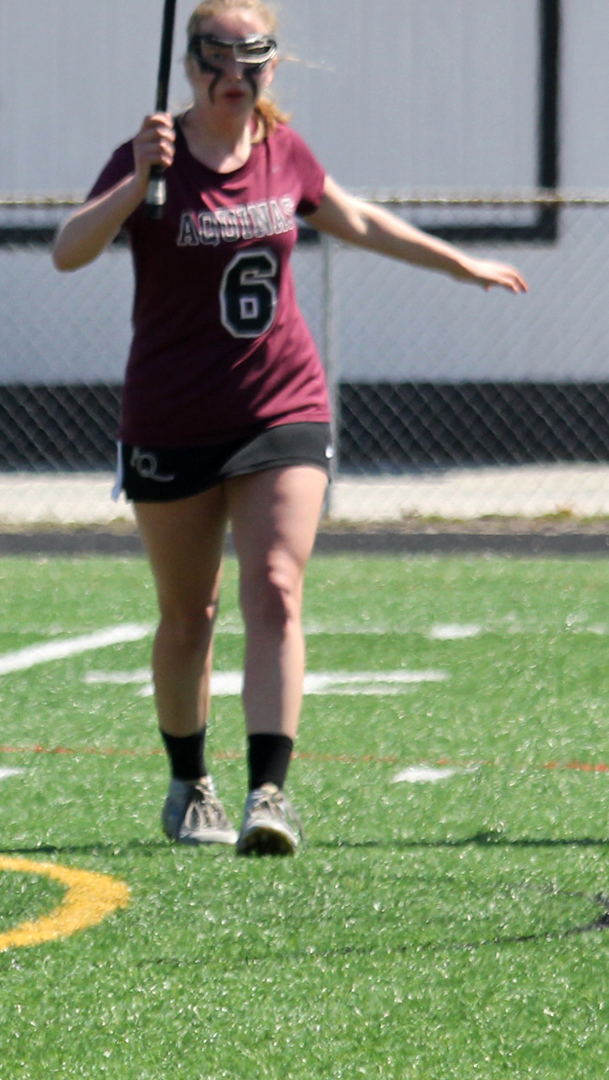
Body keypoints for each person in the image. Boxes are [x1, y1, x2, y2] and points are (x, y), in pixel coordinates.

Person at [52, 0, 526, 855]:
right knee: (187, 613)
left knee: (275, 585)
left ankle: (269, 792)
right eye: (217, 60)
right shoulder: (147, 154)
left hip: (282, 404)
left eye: (252, 59)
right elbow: (68, 249)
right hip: (171, 413)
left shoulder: (284, 153)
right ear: (191, 65)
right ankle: (189, 780)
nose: (234, 76)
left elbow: (361, 220)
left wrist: (461, 265)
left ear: (273, 65)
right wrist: (134, 184)